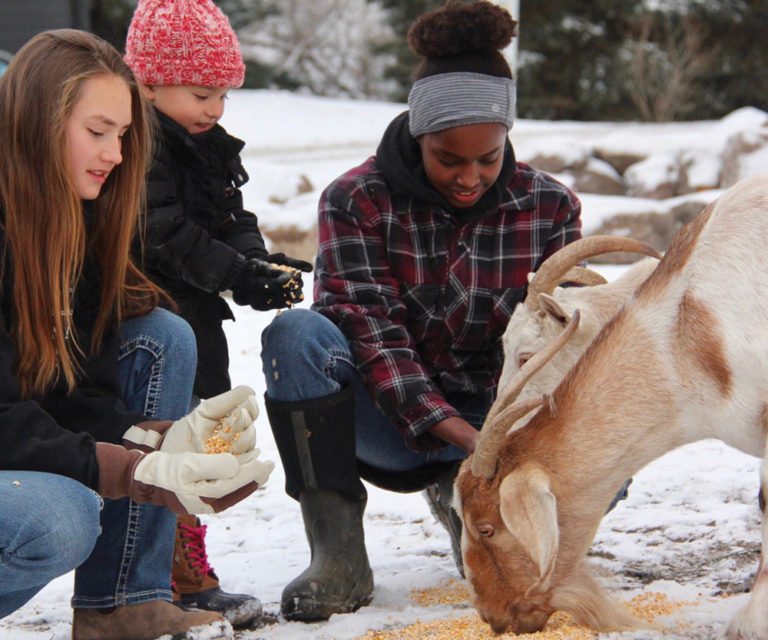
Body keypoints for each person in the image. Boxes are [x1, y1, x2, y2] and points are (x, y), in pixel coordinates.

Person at [259, 0, 584, 622]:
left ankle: (474, 508)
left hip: (496, 419)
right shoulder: (354, 200)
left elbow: (558, 334)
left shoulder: (550, 207)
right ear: (418, 135)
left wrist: (502, 438)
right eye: (449, 158)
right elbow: (372, 332)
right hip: (388, 422)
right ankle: (339, 554)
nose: (470, 177)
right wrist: (461, 435)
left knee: (604, 459)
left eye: (488, 158)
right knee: (296, 335)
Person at [0, 29, 273, 640]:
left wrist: (155, 441)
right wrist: (129, 472)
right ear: (34, 124)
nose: (117, 154)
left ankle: (122, 601)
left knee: (160, 331)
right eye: (98, 132)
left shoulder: (67, 224)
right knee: (56, 518)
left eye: (123, 135)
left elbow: (65, 391)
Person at [123, 0, 312, 627]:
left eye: (224, 96)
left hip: (195, 318)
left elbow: (229, 218)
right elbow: (162, 232)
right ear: (148, 84)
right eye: (202, 92)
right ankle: (168, 576)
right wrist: (235, 274)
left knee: (199, 439)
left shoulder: (203, 146)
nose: (214, 109)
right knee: (164, 441)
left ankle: (186, 569)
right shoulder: (140, 146)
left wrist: (259, 269)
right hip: (147, 319)